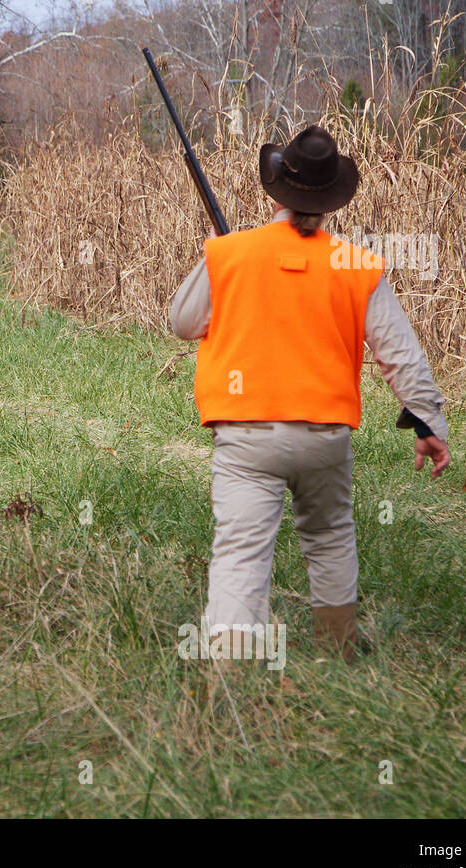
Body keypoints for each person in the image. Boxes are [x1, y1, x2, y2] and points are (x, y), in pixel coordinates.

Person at [169, 125, 450, 663]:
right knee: (329, 537)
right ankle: (338, 652)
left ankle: (230, 669)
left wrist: (228, 270)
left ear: (275, 191)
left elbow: (183, 322)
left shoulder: (232, 253)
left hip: (247, 436)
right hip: (325, 436)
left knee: (241, 551)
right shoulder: (355, 264)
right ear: (332, 199)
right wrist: (427, 424)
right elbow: (401, 354)